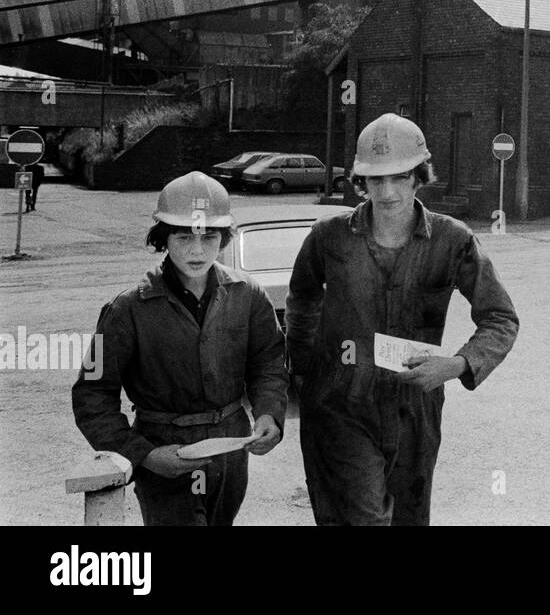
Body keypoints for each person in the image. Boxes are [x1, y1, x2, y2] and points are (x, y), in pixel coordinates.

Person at [286, 113, 519, 525]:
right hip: (342, 407)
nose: (388, 191)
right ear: (362, 182)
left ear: (418, 176)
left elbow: (500, 317)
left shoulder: (454, 240)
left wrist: (456, 365)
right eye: (376, 180)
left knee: (409, 519)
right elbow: (302, 299)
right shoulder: (329, 238)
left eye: (400, 177)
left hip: (416, 410)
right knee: (364, 518)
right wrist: (305, 373)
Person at [71, 171, 287, 525]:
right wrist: (145, 455)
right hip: (164, 454)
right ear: (163, 238)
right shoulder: (126, 309)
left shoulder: (248, 295)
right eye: (184, 236)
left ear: (225, 237)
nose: (197, 250)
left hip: (230, 452)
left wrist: (269, 414)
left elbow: (269, 364)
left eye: (209, 236)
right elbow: (92, 396)